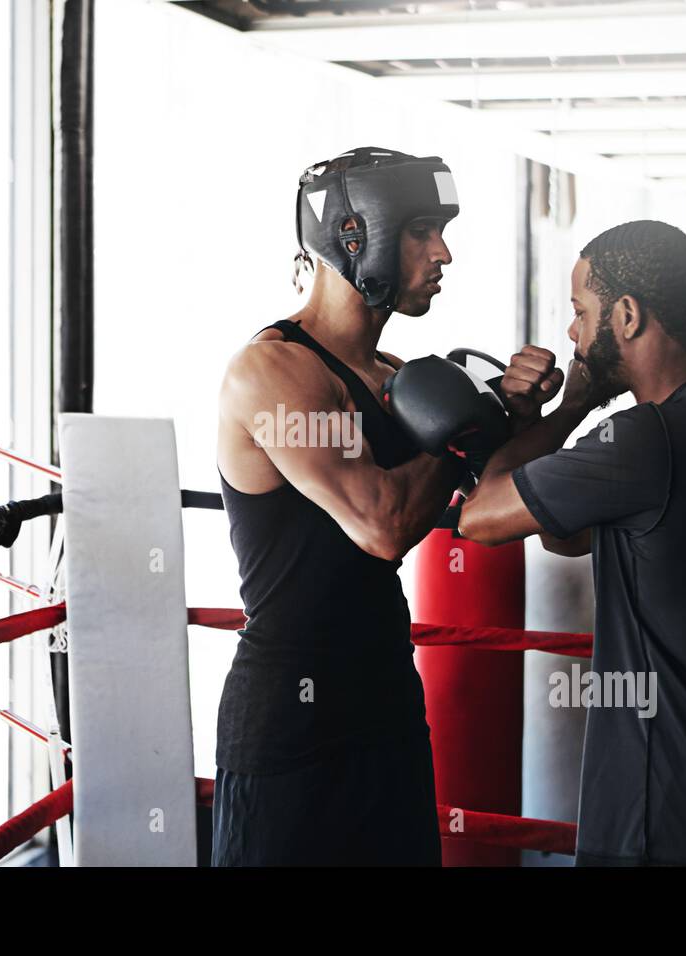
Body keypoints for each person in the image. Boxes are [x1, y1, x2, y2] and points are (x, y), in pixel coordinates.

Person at [459, 220, 686, 866]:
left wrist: (567, 411)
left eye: (580, 312)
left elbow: (480, 518)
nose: (572, 333)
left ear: (625, 315)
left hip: (667, 816)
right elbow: (571, 538)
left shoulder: (644, 439)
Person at [212, 147, 529, 866]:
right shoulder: (272, 370)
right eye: (421, 230)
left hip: (385, 695)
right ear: (357, 235)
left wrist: (552, 406)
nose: (443, 252)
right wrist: (482, 414)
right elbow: (382, 525)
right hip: (292, 715)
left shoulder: (395, 379)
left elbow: (487, 500)